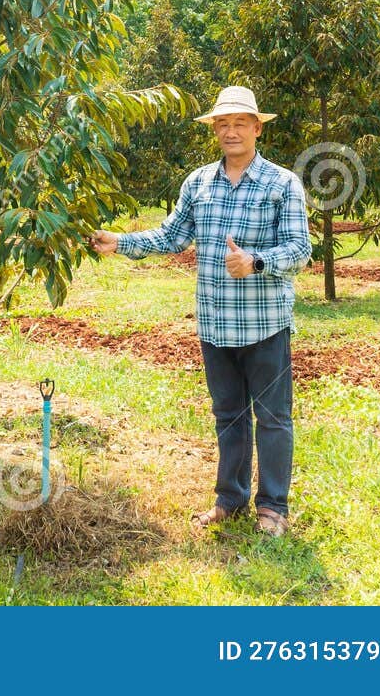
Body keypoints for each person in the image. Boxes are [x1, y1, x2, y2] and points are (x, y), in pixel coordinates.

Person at [89, 85, 311, 537]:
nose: (231, 132)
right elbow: (172, 237)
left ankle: (273, 507)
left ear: (257, 128)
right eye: (222, 124)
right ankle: (230, 498)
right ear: (214, 131)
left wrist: (256, 261)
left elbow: (300, 249)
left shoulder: (282, 183)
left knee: (272, 417)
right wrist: (122, 242)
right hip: (214, 325)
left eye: (240, 123)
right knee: (227, 415)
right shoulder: (199, 183)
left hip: (263, 324)